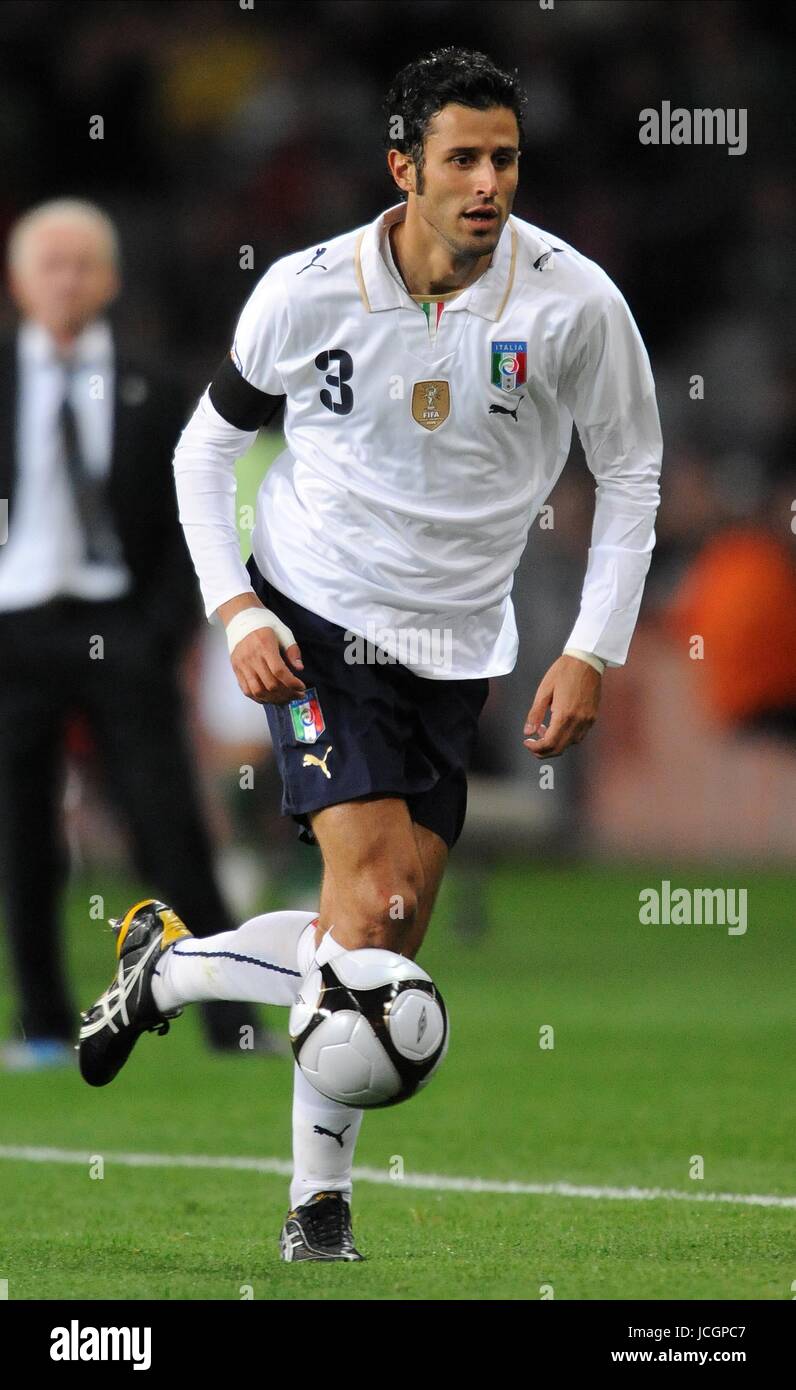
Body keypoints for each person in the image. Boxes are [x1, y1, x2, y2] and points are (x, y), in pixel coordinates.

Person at [78, 49, 662, 1260]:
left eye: (504, 157)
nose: (488, 182)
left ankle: (169, 974)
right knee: (374, 897)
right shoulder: (304, 291)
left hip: (458, 648)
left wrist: (591, 647)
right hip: (316, 623)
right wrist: (238, 611)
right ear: (403, 168)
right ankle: (317, 1210)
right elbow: (202, 452)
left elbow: (633, 473)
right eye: (461, 158)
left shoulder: (574, 304)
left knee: (381, 939)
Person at [0, 198, 281, 1068]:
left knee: (172, 831)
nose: (67, 279)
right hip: (14, 635)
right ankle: (43, 1023)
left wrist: (159, 631)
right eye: (50, 263)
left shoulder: (157, 386)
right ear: (18, 281)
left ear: (112, 278)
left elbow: (184, 516)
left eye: (83, 263)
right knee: (20, 837)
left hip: (120, 629)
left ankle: (232, 1022)